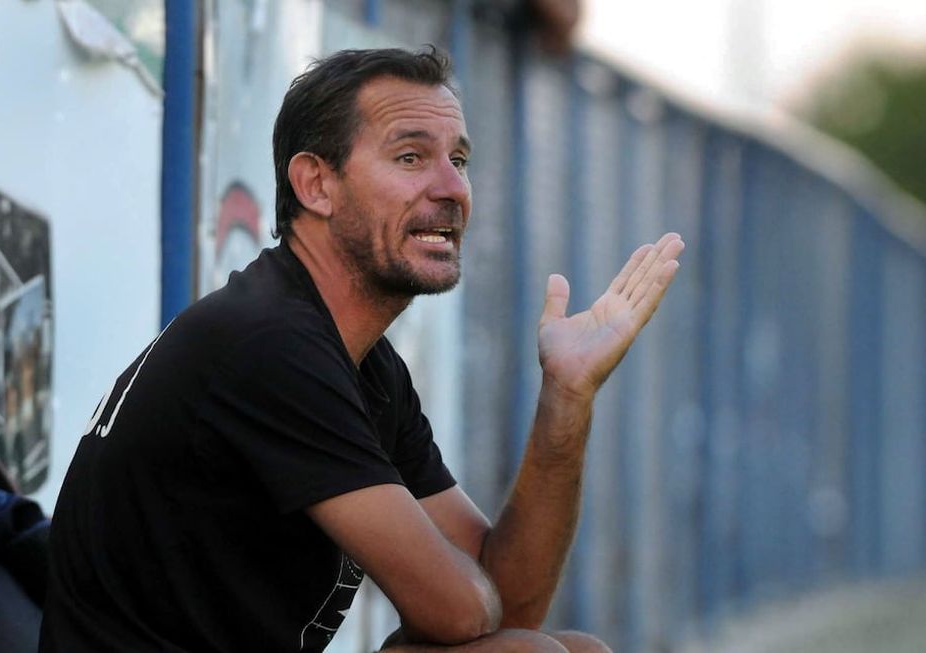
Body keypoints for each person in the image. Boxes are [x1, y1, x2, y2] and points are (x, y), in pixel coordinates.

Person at [39, 47, 684, 652]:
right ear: (316, 185)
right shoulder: (268, 345)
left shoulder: (363, 362)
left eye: (458, 160)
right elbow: (459, 611)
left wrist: (565, 399)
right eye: (410, 157)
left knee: (572, 650)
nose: (452, 188)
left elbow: (508, 608)